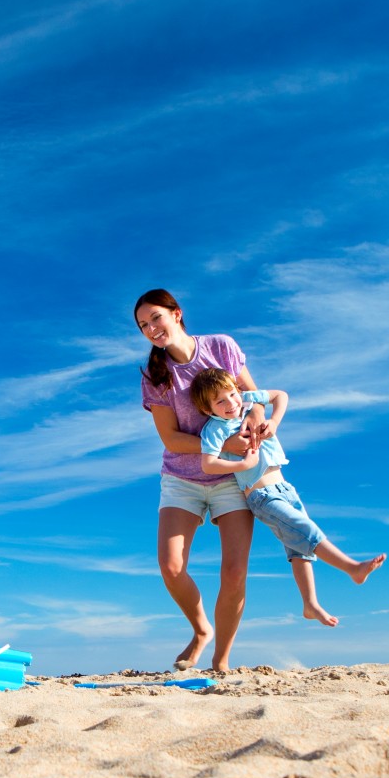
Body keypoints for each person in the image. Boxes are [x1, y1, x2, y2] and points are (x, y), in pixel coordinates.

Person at [190, 368, 385, 626]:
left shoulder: (248, 401)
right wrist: (242, 465)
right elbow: (208, 464)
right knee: (305, 531)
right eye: (220, 401)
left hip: (285, 488)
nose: (231, 403)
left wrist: (274, 422)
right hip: (261, 496)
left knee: (299, 550)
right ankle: (352, 568)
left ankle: (310, 604)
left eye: (232, 395)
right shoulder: (214, 428)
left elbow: (280, 395)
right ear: (208, 409)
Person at [136, 288, 266, 673]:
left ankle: (221, 659)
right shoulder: (156, 375)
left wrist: (259, 420)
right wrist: (218, 441)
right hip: (181, 477)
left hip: (232, 477)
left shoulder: (220, 347)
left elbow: (253, 396)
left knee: (234, 570)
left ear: (176, 313)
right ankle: (200, 630)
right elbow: (171, 438)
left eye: (155, 317)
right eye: (143, 325)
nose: (151, 328)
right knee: (171, 566)